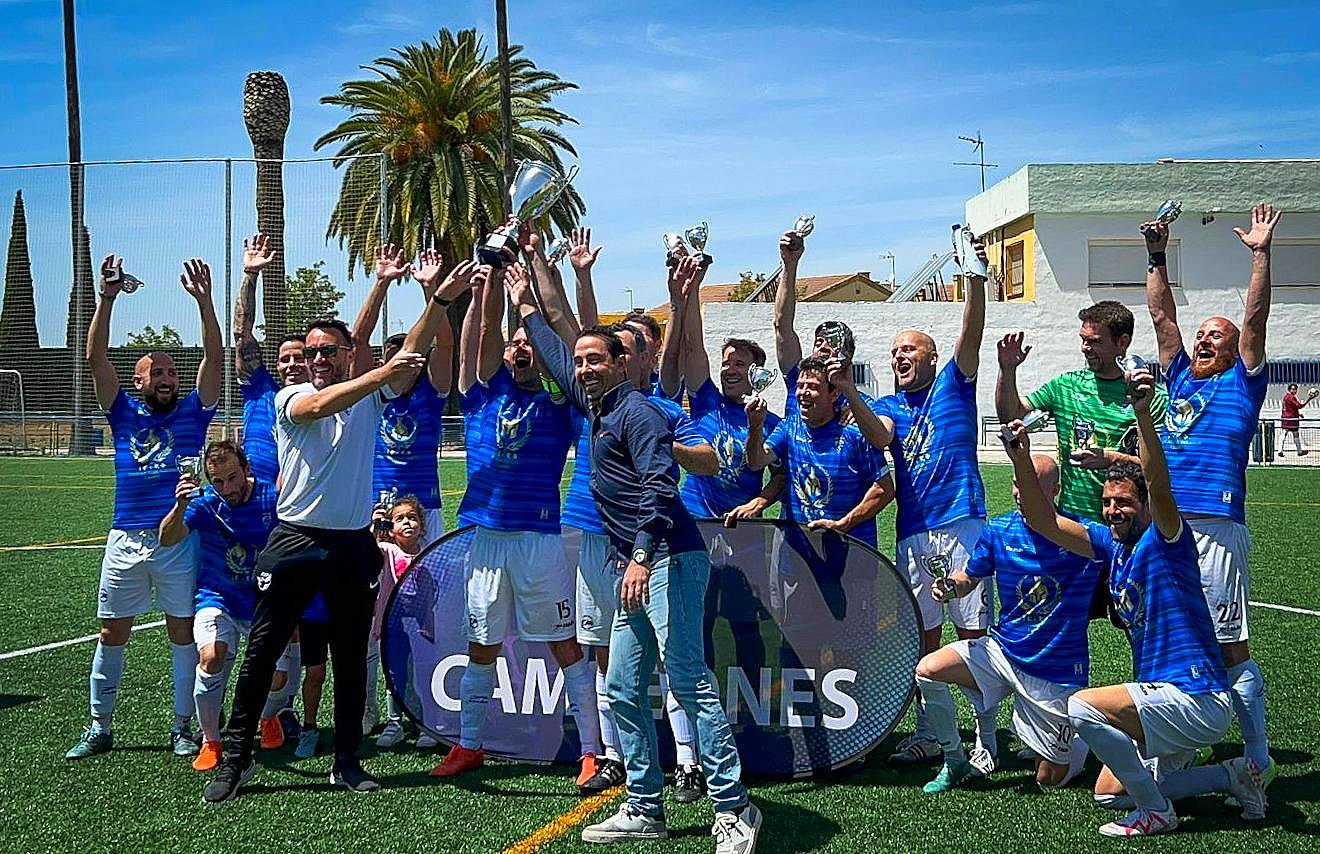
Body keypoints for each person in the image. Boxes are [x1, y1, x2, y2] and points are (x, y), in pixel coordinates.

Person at [512, 266, 762, 853]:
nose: (584, 368)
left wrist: (641, 557)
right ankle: (644, 806)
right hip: (639, 563)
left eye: (596, 360)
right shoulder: (596, 408)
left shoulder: (639, 413)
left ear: (622, 364)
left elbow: (658, 484)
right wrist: (525, 300)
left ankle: (734, 809)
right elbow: (552, 348)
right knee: (623, 684)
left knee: (688, 679)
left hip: (666, 558)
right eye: (580, 362)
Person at [201, 255, 460, 802]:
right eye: (310, 351)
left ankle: (346, 761)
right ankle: (237, 757)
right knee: (263, 651)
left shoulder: (369, 392)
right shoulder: (290, 395)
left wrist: (434, 302)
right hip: (294, 539)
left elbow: (409, 357)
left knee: (349, 656)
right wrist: (377, 372)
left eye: (327, 351)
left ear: (346, 355)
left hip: (352, 545)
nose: (314, 359)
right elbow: (321, 403)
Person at [1007, 367, 1266, 837]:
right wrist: (1021, 457)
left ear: (1146, 505)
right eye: (1107, 502)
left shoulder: (1167, 538)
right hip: (1168, 701)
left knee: (1083, 708)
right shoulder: (1112, 545)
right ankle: (1232, 776)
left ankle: (1158, 814)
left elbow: (1159, 481)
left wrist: (1143, 412)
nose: (1113, 510)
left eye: (1124, 501)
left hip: (1195, 694)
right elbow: (1045, 521)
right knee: (1110, 791)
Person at [428, 260, 601, 785]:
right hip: (488, 539)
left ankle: (591, 750)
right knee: (480, 647)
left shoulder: (561, 403)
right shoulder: (484, 394)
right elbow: (478, 342)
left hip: (539, 540)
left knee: (563, 643)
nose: (519, 349)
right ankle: (470, 745)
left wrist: (537, 303)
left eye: (528, 344)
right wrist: (484, 293)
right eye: (513, 345)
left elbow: (571, 345)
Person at [1141, 203, 1281, 789]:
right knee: (1165, 635)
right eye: (1202, 335)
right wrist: (1155, 255)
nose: (1202, 339)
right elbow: (1162, 316)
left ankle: (1256, 757)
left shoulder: (1242, 382)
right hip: (1165, 526)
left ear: (1232, 352)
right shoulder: (1174, 377)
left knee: (1229, 645)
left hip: (1215, 525)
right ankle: (1175, 742)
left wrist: (1260, 254)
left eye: (1214, 337)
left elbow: (1254, 318)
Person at [66, 255, 221, 761]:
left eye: (173, 371)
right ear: (138, 382)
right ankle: (99, 725)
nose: (167, 377)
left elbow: (215, 361)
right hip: (126, 536)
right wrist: (107, 298)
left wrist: (204, 302)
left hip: (179, 541)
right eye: (156, 372)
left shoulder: (194, 413)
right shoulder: (122, 411)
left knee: (182, 631)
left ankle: (182, 727)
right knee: (113, 630)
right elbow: (94, 358)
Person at [915, 454, 1098, 793]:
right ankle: (955, 760)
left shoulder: (1081, 535)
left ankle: (1079, 731)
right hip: (1003, 651)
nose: (1020, 492)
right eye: (1017, 483)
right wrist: (952, 586)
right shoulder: (999, 530)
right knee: (928, 669)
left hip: (1053, 672)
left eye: (1031, 484)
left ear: (1055, 490)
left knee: (1048, 781)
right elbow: (969, 576)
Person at [353, 245, 453, 737]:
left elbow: (447, 351)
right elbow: (359, 345)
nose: (404, 367)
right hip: (378, 519)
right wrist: (383, 282)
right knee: (374, 623)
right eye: (396, 360)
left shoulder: (432, 395)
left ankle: (422, 714)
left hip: (425, 517)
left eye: (411, 360)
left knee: (423, 621)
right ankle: (378, 715)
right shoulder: (372, 394)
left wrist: (432, 291)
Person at [233, 231, 311, 744]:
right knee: (245, 618)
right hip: (249, 514)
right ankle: (234, 718)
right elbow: (241, 336)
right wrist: (250, 276)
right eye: (280, 358)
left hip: (298, 515)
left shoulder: (316, 399)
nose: (287, 364)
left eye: (296, 358)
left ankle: (281, 711)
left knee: (301, 623)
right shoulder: (260, 386)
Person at [158, 441, 278, 772]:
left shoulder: (271, 497)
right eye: (218, 481)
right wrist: (180, 505)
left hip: (261, 601)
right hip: (217, 597)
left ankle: (269, 716)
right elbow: (167, 537)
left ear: (246, 470)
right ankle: (211, 739)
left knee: (280, 677)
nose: (227, 488)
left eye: (232, 478)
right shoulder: (207, 503)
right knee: (211, 656)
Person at [995, 302, 1169, 524]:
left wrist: (1112, 459)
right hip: (1072, 526)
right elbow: (1011, 416)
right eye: (1083, 340)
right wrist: (1007, 371)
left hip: (1127, 527)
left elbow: (1164, 472)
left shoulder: (1150, 398)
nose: (1085, 348)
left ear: (1122, 342)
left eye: (1095, 341)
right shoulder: (1066, 386)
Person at [373, 495, 429, 748]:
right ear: (392, 527)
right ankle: (394, 723)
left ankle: (424, 724)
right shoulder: (387, 551)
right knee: (394, 675)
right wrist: (377, 525)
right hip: (392, 627)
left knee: (419, 675)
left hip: (421, 629)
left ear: (422, 525)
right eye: (399, 519)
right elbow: (370, 550)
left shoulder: (430, 552)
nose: (407, 523)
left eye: (412, 517)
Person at [1278, 382, 1316, 457]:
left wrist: (1298, 414)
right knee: (1295, 434)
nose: (1295, 391)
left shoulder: (1286, 397)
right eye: (1293, 389)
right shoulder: (1291, 397)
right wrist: (1309, 399)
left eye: (1296, 389)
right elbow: (1299, 406)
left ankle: (1280, 450)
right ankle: (1299, 451)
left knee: (1285, 433)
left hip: (1285, 418)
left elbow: (1290, 408)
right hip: (1292, 419)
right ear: (1289, 390)